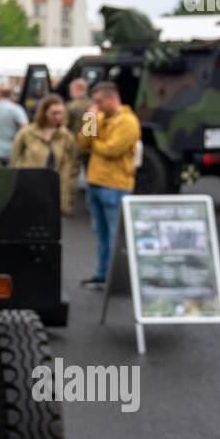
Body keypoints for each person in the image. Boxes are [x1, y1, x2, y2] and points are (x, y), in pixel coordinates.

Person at [76, 81, 141, 289]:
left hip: (116, 186)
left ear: (112, 98)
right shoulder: (100, 118)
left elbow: (111, 150)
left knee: (115, 235)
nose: (97, 106)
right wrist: (90, 120)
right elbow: (82, 143)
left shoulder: (128, 122)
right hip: (95, 182)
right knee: (101, 234)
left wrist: (94, 139)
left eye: (99, 102)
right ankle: (102, 274)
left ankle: (118, 278)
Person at [11, 94, 78, 213]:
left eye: (61, 113)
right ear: (44, 112)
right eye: (54, 113)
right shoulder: (27, 133)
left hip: (55, 188)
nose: (58, 117)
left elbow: (74, 163)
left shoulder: (67, 136)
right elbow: (14, 158)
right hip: (31, 186)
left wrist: (70, 189)